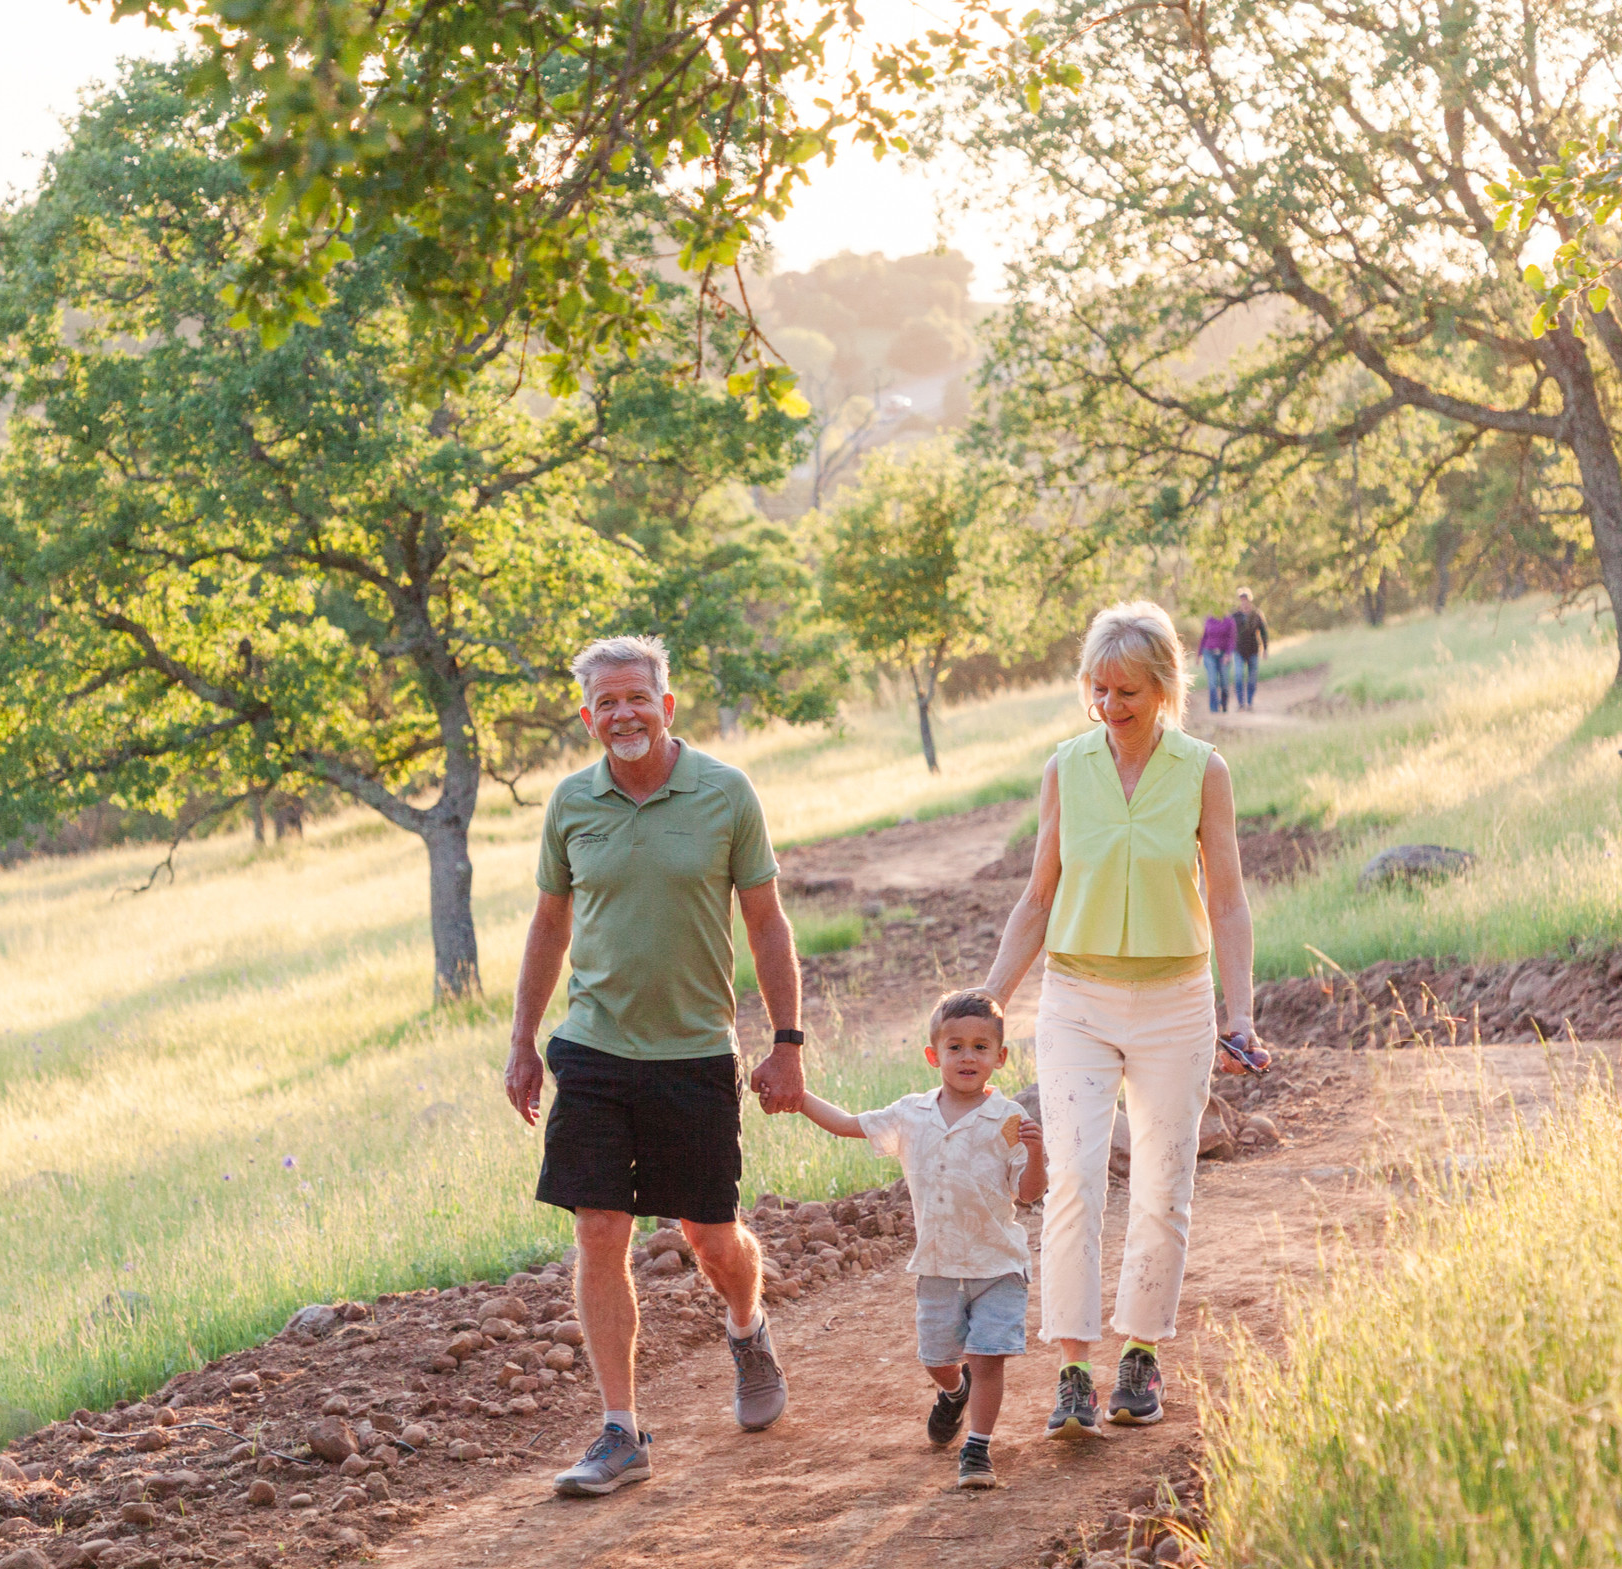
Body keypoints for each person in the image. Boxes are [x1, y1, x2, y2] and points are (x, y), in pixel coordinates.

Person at [504, 635, 807, 1498]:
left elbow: (767, 925)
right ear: (590, 715)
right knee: (599, 1229)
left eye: (637, 697)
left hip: (695, 1054)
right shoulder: (571, 804)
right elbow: (549, 928)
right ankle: (620, 1429)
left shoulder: (724, 793)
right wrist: (524, 1041)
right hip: (593, 1050)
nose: (623, 714)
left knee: (709, 1237)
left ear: (666, 706)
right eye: (606, 702)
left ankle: (747, 1326)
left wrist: (787, 1042)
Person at [980, 601, 1271, 1435]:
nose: (1110, 707)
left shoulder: (1203, 769)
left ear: (1164, 687)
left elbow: (1226, 898)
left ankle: (1140, 1352)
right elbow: (1037, 898)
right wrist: (993, 1003)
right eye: (1098, 689)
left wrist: (1239, 1011)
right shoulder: (1066, 768)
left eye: (1128, 692)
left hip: (1176, 999)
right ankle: (1073, 1367)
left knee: (1162, 1178)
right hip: (1075, 997)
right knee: (1070, 1174)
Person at [792, 990, 1048, 1490]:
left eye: (980, 1047)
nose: (967, 1057)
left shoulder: (1010, 1119)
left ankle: (978, 1448)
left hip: (997, 1264)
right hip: (937, 1263)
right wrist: (798, 1097)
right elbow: (849, 1125)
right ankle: (954, 1394)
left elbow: (1027, 1194)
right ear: (934, 1056)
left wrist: (1036, 1154)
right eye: (955, 1047)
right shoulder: (912, 1114)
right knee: (937, 1359)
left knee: (987, 1355)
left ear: (1001, 1056)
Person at [1230, 589, 1268, 712]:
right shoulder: (1235, 616)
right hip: (1239, 650)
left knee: (1252, 678)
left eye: (1246, 601)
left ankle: (1250, 702)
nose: (1244, 603)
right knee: (1239, 676)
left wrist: (1265, 649)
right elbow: (1229, 634)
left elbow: (1263, 633)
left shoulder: (1257, 615)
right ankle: (1241, 703)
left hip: (1253, 650)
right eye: (1242, 601)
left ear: (1250, 601)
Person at [1197, 606, 1236, 714]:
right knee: (1212, 681)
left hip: (1223, 654)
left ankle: (1224, 705)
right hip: (1209, 653)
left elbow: (1231, 639)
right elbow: (1204, 637)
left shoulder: (1229, 621)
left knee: (1224, 681)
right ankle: (1214, 708)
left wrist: (1228, 655)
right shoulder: (1209, 620)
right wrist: (1199, 655)